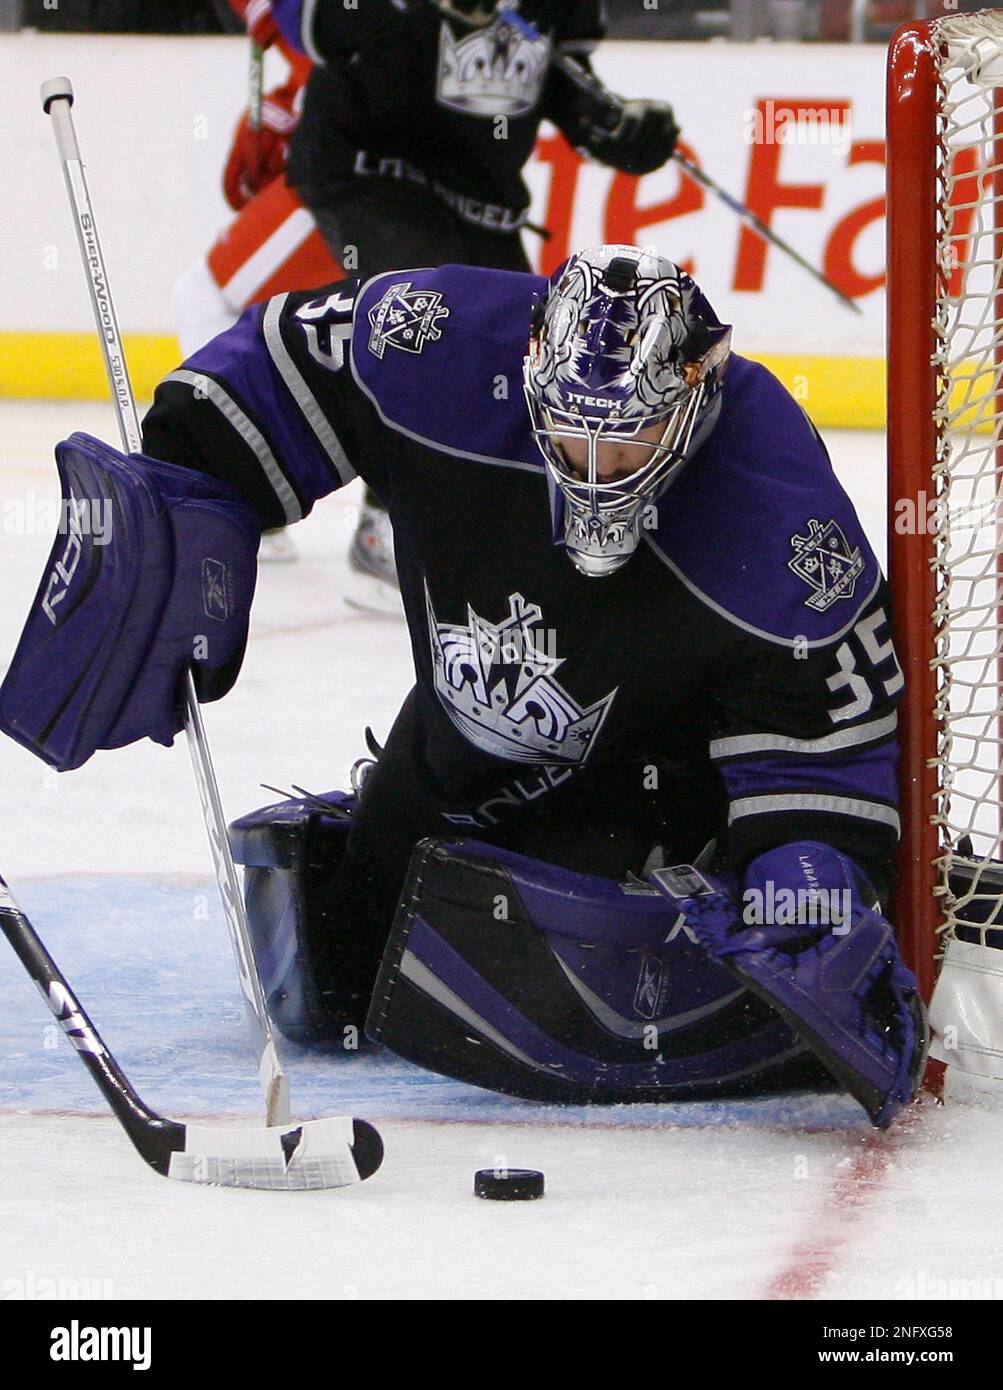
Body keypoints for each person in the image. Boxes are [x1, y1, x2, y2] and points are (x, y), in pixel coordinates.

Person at [0, 245, 926, 1126]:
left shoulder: (785, 521)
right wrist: (183, 499)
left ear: (694, 402)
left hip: (652, 779)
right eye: (570, 437)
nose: (595, 472)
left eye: (629, 443)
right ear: (527, 374)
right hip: (455, 725)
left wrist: (805, 872)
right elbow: (278, 363)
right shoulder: (438, 338)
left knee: (584, 967)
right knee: (346, 985)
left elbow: (828, 740)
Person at [176, 0, 679, 602]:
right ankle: (381, 526)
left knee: (530, 365)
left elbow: (561, 82)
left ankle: (512, 532)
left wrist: (613, 127)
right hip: (372, 176)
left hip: (480, 201)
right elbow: (304, 21)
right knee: (427, 330)